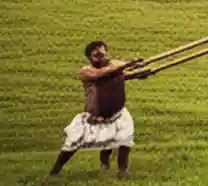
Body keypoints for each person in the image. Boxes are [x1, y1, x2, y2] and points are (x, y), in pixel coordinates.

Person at [50, 41, 153, 178]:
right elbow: (99, 75)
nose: (101, 58)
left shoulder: (115, 67)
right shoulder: (86, 71)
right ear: (89, 58)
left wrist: (137, 73)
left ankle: (122, 172)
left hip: (118, 114)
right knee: (72, 144)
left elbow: (120, 76)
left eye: (103, 55)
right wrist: (127, 65)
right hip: (93, 118)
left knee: (124, 141)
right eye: (97, 56)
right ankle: (54, 172)